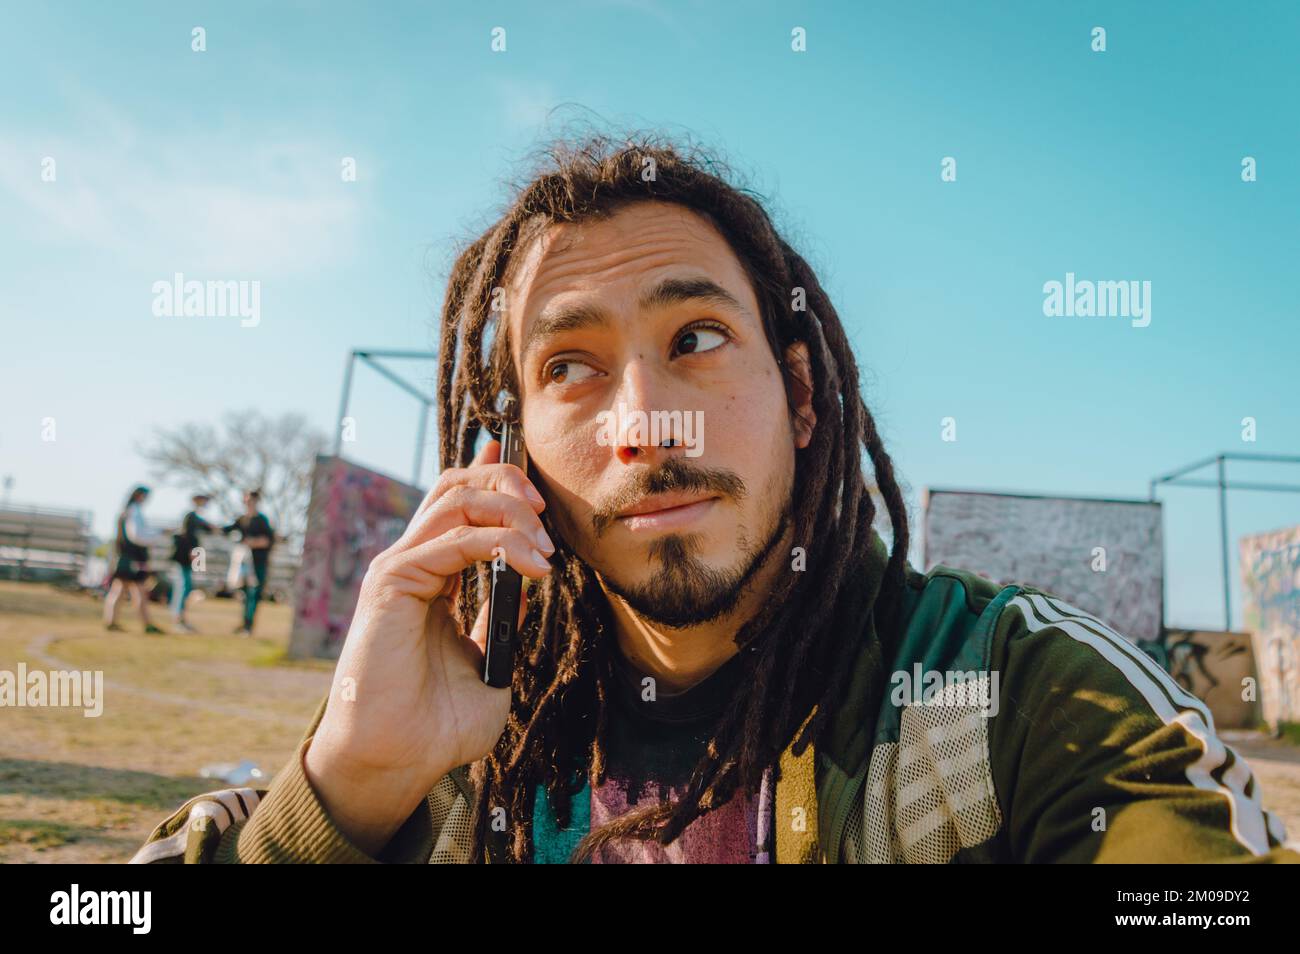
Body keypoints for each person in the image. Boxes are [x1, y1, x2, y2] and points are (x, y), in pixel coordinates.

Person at [132, 133, 1298, 864]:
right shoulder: (451, 746)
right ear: (513, 449)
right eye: (570, 366)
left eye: (695, 338)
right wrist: (344, 789)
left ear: (797, 396)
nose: (647, 423)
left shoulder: (1023, 699)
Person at [104, 485, 164, 635]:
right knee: (139, 591)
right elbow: (137, 536)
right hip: (134, 558)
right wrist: (157, 535)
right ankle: (147, 624)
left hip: (126, 556)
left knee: (119, 590)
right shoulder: (134, 511)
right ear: (139, 496)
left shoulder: (126, 511)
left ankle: (111, 621)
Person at [222, 490, 274, 636]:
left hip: (257, 563)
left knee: (254, 593)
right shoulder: (242, 520)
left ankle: (249, 625)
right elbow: (226, 530)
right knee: (243, 594)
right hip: (243, 563)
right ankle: (244, 623)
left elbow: (267, 541)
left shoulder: (262, 520)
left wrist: (252, 542)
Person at [170, 493, 215, 633]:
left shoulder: (197, 518)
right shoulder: (190, 517)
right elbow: (186, 535)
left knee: (186, 586)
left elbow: (210, 528)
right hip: (184, 557)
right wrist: (192, 553)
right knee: (183, 587)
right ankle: (178, 620)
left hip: (190, 557)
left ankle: (180, 618)